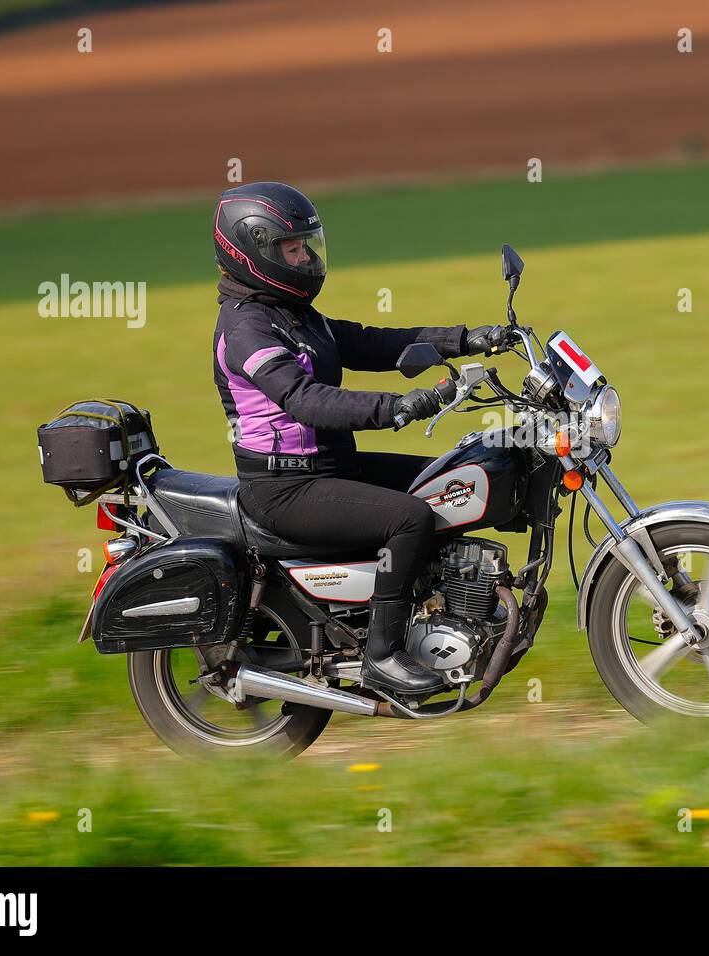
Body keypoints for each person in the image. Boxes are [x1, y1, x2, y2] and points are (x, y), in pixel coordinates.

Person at [211, 182, 510, 695]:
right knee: (410, 516)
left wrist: (465, 339)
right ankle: (383, 655)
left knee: (448, 478)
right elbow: (304, 399)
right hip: (284, 489)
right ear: (253, 251)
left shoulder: (294, 315)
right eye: (292, 249)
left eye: (307, 246)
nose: (305, 258)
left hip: (330, 468)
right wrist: (396, 408)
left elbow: (370, 342)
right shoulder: (246, 330)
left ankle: (463, 605)